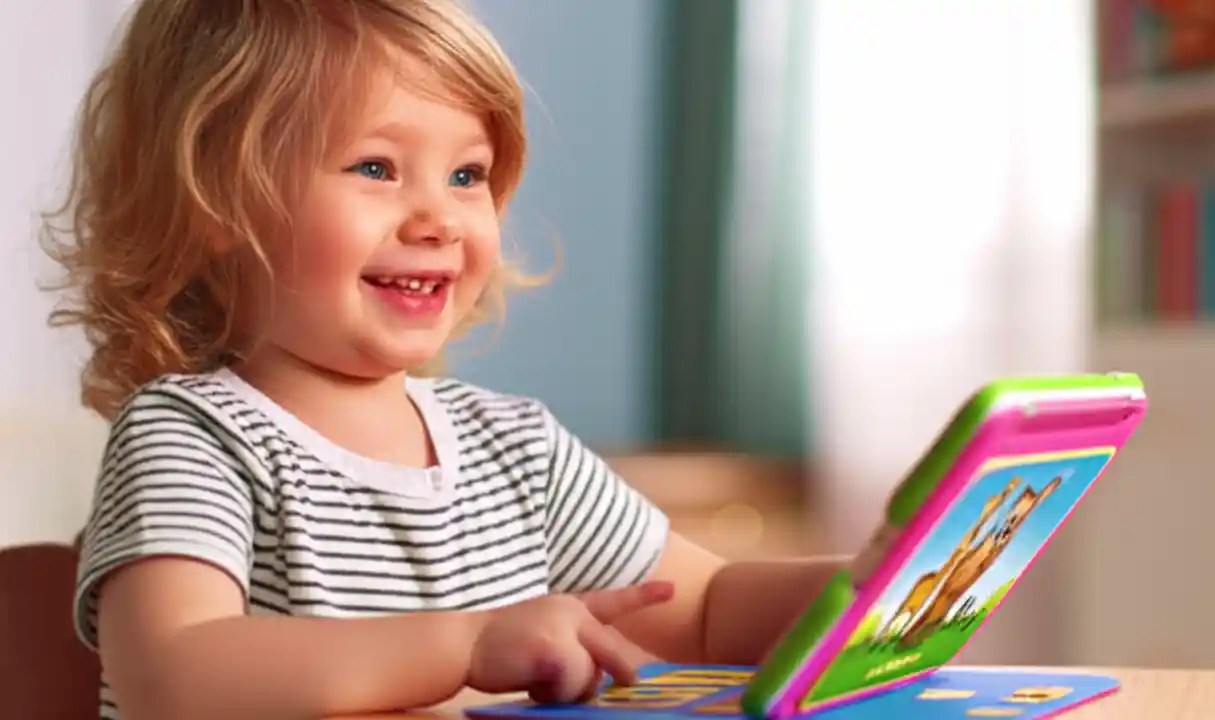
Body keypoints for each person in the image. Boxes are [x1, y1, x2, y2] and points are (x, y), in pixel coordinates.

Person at [42, 2, 899, 719]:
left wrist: (878, 586)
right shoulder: (193, 437)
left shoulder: (514, 447)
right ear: (216, 202)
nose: (440, 219)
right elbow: (176, 676)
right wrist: (468, 643)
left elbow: (705, 609)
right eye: (377, 167)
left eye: (467, 175)